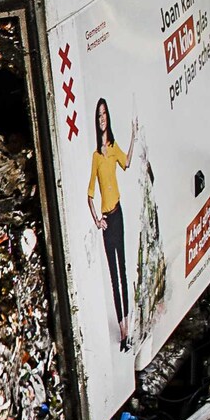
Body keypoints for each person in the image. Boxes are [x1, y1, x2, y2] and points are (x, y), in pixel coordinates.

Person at [86, 98, 132, 348]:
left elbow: (127, 163)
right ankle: (122, 329)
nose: (103, 119)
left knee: (122, 269)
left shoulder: (113, 148)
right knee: (114, 276)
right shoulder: (96, 156)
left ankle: (125, 327)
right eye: (99, 115)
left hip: (118, 213)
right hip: (107, 218)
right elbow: (90, 192)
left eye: (105, 114)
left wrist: (134, 136)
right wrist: (97, 220)